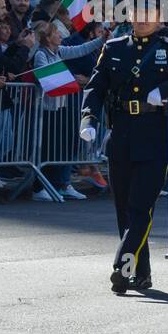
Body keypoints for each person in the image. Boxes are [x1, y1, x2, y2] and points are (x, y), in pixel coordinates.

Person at [78, 0, 168, 293]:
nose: (142, 18)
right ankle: (142, 272)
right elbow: (96, 87)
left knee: (140, 207)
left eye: (149, 13)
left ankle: (123, 266)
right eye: (138, 12)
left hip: (154, 137)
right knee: (124, 209)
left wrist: (167, 90)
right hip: (121, 135)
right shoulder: (115, 47)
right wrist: (89, 118)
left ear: (160, 18)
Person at [30, 21, 104, 201]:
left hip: (60, 107)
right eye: (56, 33)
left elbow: (81, 49)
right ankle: (39, 187)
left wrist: (102, 40)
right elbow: (49, 79)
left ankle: (58, 185)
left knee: (61, 148)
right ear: (48, 38)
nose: (61, 36)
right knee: (47, 149)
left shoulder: (60, 51)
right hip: (46, 110)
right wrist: (73, 78)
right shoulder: (41, 54)